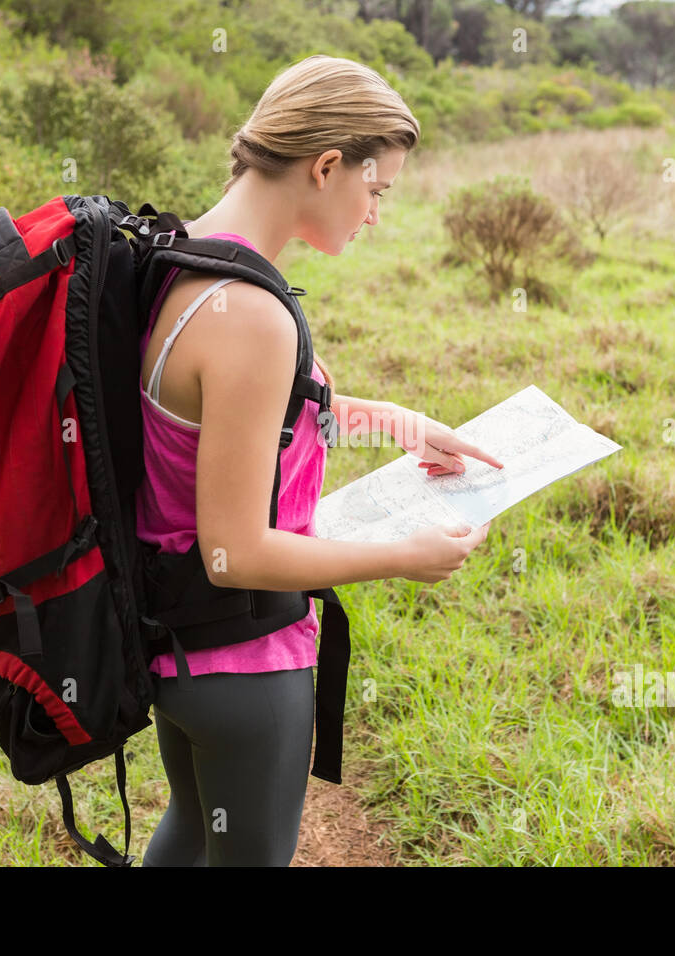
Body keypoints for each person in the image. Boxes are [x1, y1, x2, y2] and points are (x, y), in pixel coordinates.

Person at [138, 54, 502, 867]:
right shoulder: (250, 314)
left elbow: (230, 420)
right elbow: (235, 554)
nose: (376, 214)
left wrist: (394, 421)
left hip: (183, 647)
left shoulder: (184, 254)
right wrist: (404, 556)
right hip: (244, 660)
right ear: (327, 165)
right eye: (377, 191)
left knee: (193, 832)